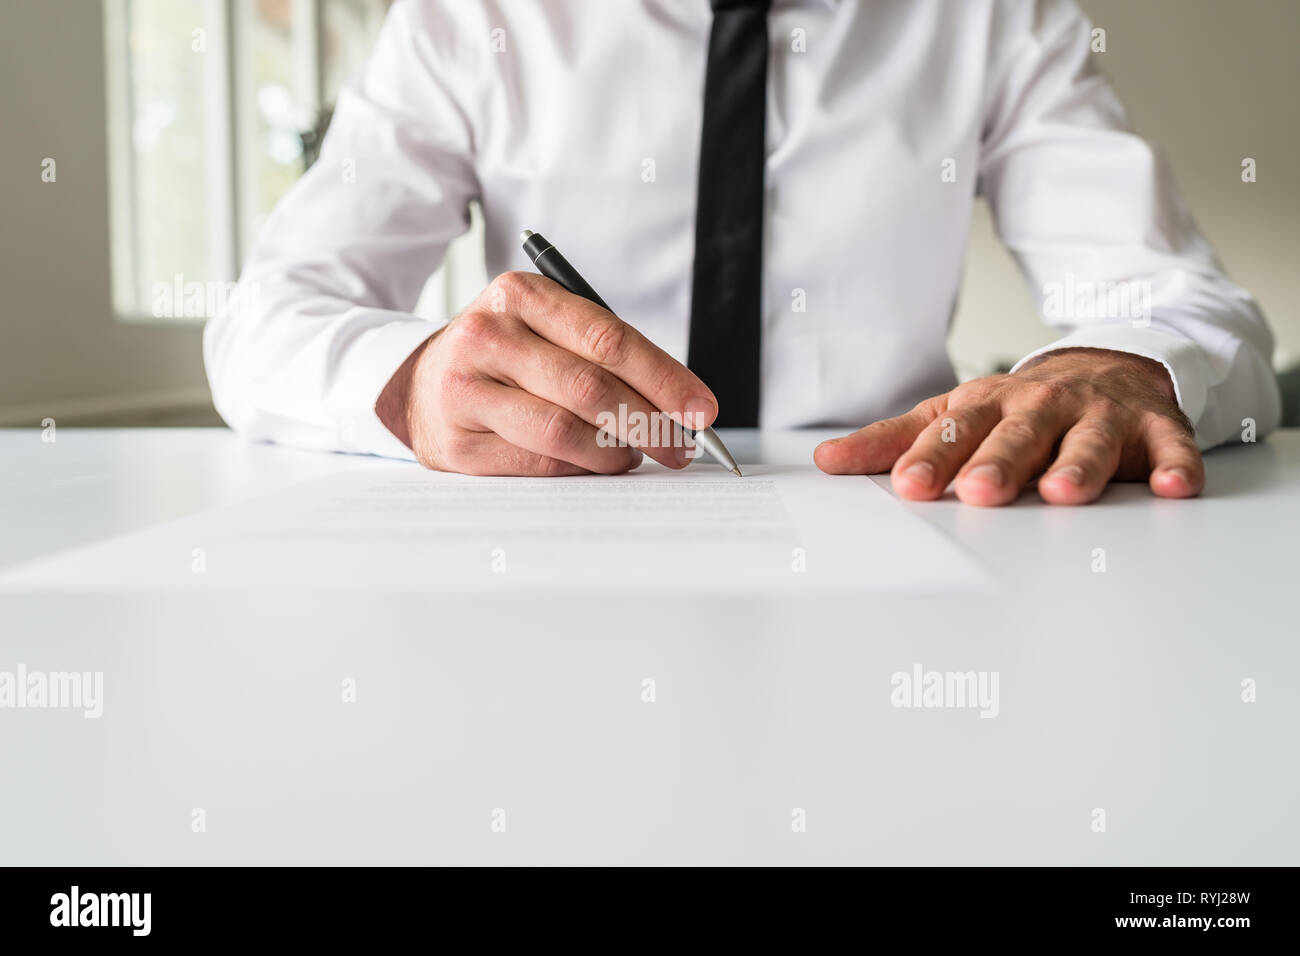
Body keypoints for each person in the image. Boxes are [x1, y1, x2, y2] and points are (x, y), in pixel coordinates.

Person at [204, 0, 1280, 506]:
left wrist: (1126, 359)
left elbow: (1179, 301)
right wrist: (412, 381)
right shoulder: (469, 20)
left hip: (905, 522)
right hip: (554, 557)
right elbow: (266, 317)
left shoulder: (991, 19)